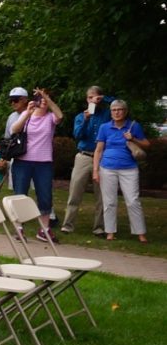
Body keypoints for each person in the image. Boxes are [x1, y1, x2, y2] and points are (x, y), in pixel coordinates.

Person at [9, 89, 64, 241]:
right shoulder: (26, 116)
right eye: (41, 99)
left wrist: (47, 97)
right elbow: (14, 129)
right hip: (23, 161)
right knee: (20, 194)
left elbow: (60, 115)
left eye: (47, 100)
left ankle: (44, 230)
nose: (44, 102)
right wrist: (27, 112)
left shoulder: (51, 118)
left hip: (44, 162)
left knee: (45, 195)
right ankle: (19, 228)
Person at [92, 99, 150, 243]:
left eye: (120, 109)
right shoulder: (104, 127)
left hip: (129, 168)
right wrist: (95, 170)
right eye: (114, 110)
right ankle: (110, 232)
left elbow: (147, 144)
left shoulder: (133, 126)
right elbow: (98, 150)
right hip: (107, 168)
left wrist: (133, 139)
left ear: (125, 111)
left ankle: (140, 232)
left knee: (132, 201)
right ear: (110, 112)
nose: (117, 112)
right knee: (109, 202)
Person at [62, 86, 112, 235]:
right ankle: (68, 225)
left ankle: (99, 227)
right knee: (75, 192)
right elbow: (77, 135)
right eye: (90, 98)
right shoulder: (81, 116)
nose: (92, 100)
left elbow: (119, 105)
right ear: (86, 99)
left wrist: (105, 98)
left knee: (101, 195)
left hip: (102, 157)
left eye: (95, 97)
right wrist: (85, 120)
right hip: (84, 156)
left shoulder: (107, 115)